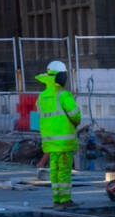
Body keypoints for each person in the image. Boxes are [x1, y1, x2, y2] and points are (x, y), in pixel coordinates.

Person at [34, 60, 82, 207]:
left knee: (54, 171)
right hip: (64, 143)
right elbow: (76, 116)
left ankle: (57, 199)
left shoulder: (41, 97)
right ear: (61, 77)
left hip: (50, 143)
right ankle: (65, 199)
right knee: (64, 171)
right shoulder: (64, 95)